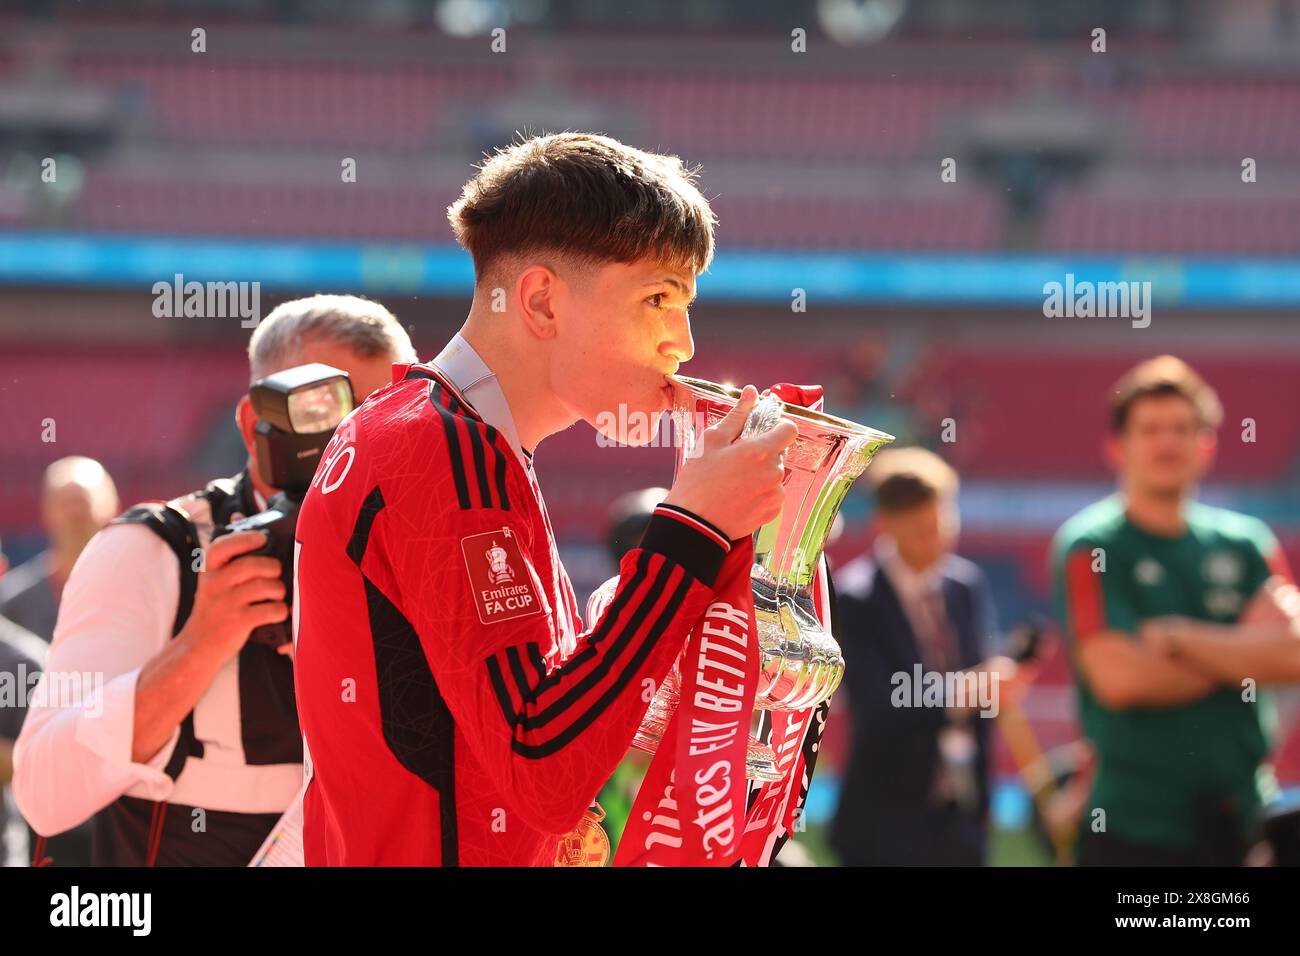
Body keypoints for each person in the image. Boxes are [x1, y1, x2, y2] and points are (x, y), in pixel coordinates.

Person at [293, 132, 797, 866]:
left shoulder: (441, 434)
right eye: (657, 297)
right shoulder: (442, 450)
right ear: (540, 301)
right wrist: (692, 533)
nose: (682, 342)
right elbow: (543, 767)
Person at [13, 295, 415, 866]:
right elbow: (43, 796)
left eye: (388, 421)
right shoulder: (154, 552)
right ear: (257, 425)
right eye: (326, 414)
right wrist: (201, 646)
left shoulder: (424, 556)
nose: (357, 448)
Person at [1052, 355, 1300, 866]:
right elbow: (1122, 679)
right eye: (1151, 429)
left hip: (1245, 824)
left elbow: (1293, 655)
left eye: (1183, 429)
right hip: (1132, 828)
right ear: (1117, 447)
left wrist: (1180, 637)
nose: (1167, 443)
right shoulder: (1091, 546)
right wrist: (1243, 650)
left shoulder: (1249, 543)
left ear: (1206, 445)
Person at [830, 447, 1021, 866]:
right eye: (920, 529)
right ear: (885, 524)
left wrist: (999, 684)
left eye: (942, 523)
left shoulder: (965, 585)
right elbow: (878, 704)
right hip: (883, 823)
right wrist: (966, 689)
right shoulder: (853, 597)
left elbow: (980, 698)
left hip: (962, 817)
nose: (936, 538)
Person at [0, 457, 119, 643]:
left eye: (83, 502)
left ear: (113, 507)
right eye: (65, 503)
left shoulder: (142, 592)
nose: (74, 513)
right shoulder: (13, 602)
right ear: (46, 511)